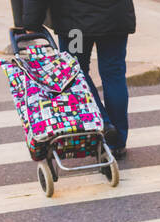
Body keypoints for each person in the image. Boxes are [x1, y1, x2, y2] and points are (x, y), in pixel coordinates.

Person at [22, 0, 135, 159]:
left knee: (76, 71)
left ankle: (104, 123)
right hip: (114, 18)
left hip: (76, 25)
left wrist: (32, 22)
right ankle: (117, 142)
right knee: (114, 75)